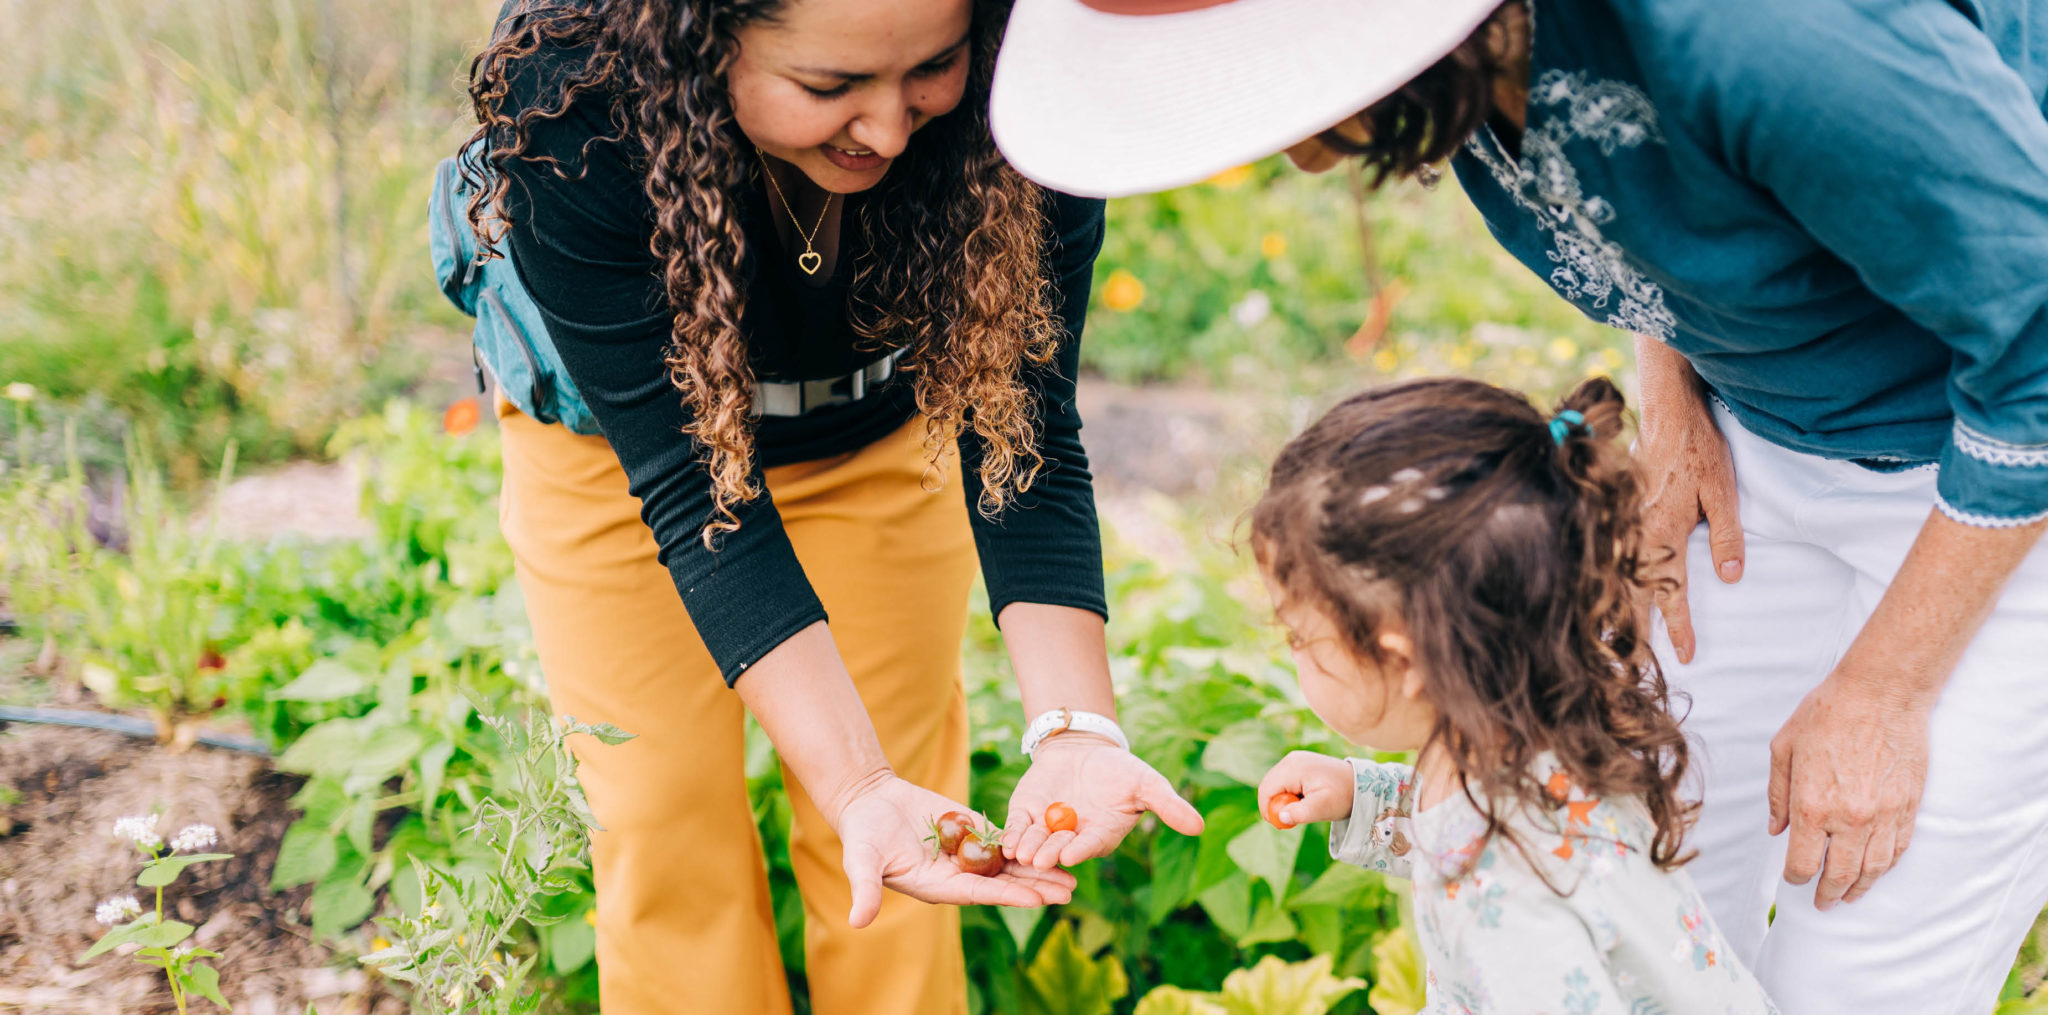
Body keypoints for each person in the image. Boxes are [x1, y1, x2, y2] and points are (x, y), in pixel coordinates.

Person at [991, 1, 2048, 1011]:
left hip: (2000, 479)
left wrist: (1884, 685)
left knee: (1854, 979)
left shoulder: (1772, 29)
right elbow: (1572, 823)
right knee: (1688, 837)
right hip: (1756, 434)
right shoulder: (1473, 61)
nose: (1295, 155)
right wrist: (1673, 400)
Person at [461, 0, 1202, 1011]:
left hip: (870, 434)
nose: (891, 129)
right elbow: (691, 490)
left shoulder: (1029, 85)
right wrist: (847, 783)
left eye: (930, 68)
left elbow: (1023, 423)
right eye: (828, 88)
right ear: (699, 42)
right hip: (621, 456)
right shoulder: (570, 106)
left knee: (909, 823)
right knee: (659, 819)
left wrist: (1075, 728)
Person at [1251, 375, 1778, 1012]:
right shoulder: (1549, 723)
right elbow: (1496, 820)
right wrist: (1362, 797)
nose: (1290, 648)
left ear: (1404, 657)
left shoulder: (1500, 903)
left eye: (1300, 634)